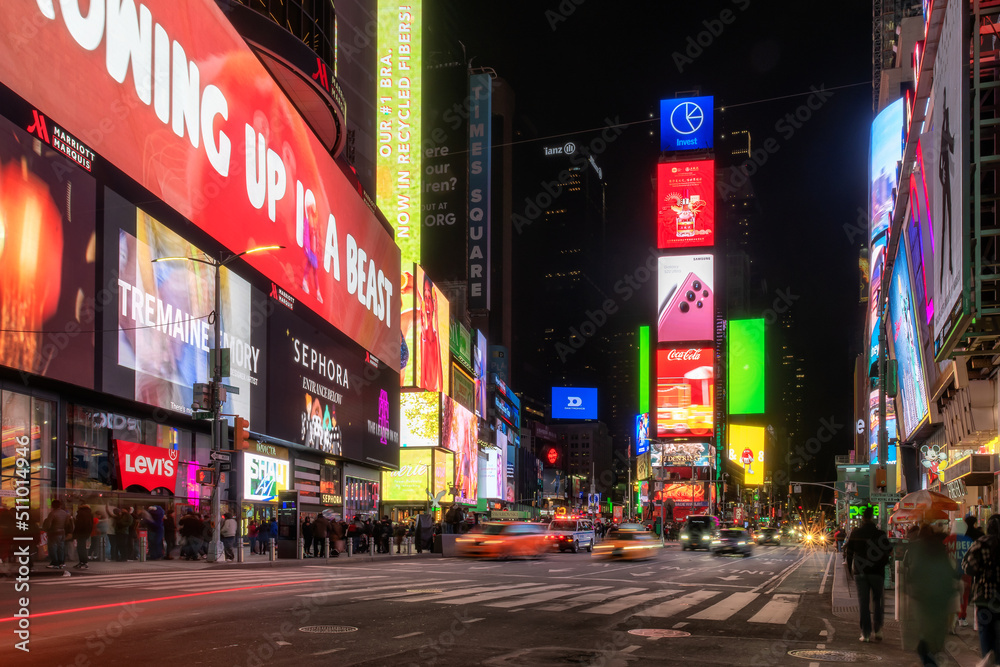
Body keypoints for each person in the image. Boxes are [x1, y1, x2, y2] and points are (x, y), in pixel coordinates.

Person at [903, 523, 960, 666]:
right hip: (941, 599)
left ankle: (931, 661)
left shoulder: (918, 550)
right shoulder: (941, 550)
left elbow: (912, 574)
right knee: (935, 637)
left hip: (924, 599)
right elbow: (952, 574)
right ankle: (933, 657)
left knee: (924, 639)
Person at [844, 506, 892, 642]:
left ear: (863, 519)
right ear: (872, 518)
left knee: (863, 603)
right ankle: (878, 630)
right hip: (877, 572)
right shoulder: (880, 534)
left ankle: (865, 633)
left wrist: (850, 570)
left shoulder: (856, 533)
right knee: (878, 601)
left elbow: (849, 553)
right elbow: (890, 551)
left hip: (861, 572)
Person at [963, 513, 1000, 665]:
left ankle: (987, 657)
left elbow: (968, 567)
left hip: (984, 595)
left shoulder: (981, 542)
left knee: (985, 628)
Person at [42, 499, 72, 569]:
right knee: (61, 548)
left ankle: (54, 562)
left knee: (52, 548)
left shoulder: (52, 513)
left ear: (52, 506)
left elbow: (48, 525)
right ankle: (61, 562)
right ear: (60, 505)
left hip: (53, 533)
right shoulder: (65, 513)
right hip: (62, 532)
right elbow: (67, 523)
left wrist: (46, 529)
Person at [72, 503, 93, 569]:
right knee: (82, 547)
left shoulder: (81, 513)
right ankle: (83, 562)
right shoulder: (89, 513)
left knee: (80, 548)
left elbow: (79, 524)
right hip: (86, 532)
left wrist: (75, 533)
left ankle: (83, 562)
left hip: (81, 532)